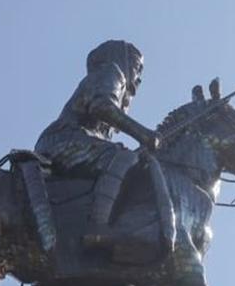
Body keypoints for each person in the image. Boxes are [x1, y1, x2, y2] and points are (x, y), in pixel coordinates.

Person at [34, 40, 160, 248]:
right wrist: (142, 134)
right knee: (124, 157)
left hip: (67, 141)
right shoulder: (112, 72)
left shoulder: (110, 77)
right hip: (65, 140)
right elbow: (101, 106)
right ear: (122, 59)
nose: (138, 77)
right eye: (137, 67)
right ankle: (97, 226)